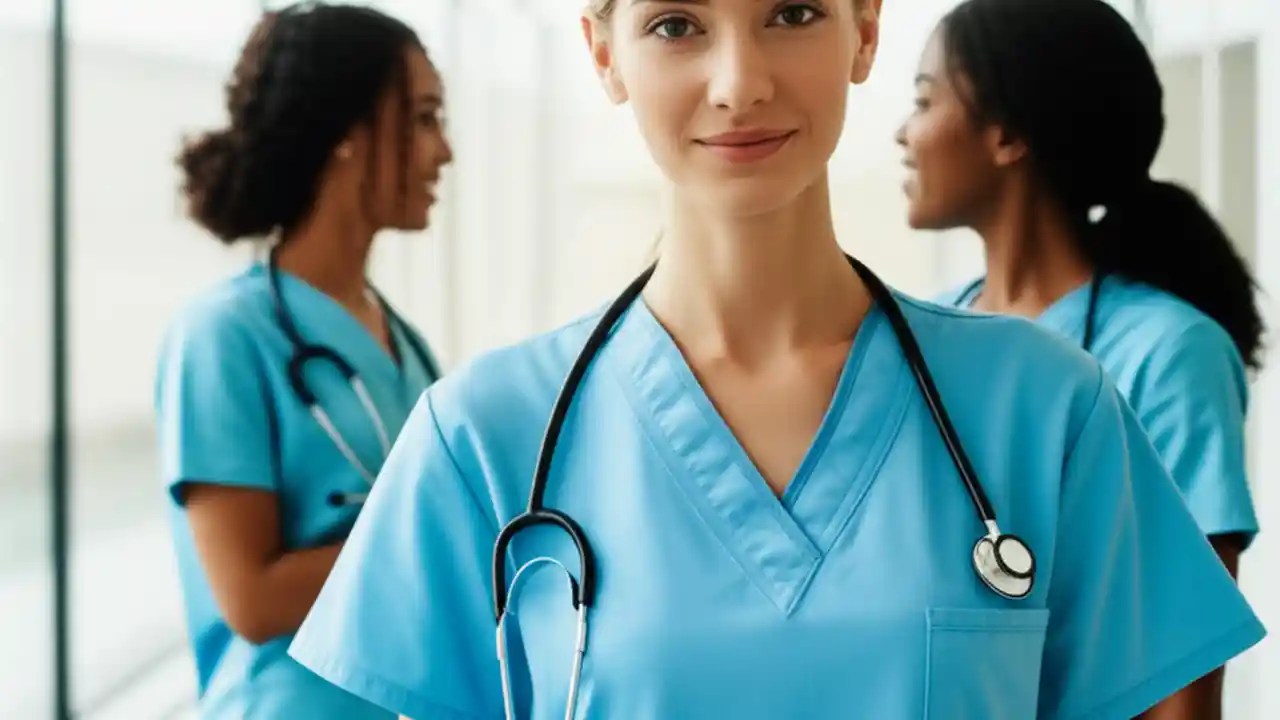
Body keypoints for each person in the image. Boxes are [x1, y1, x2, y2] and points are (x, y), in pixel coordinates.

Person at [289, 1, 1262, 718]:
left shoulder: (1047, 410)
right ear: (602, 48)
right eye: (675, 25)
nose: (739, 82)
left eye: (791, 13)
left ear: (864, 29)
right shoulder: (482, 439)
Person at [895, 1, 1262, 713]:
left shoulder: (1168, 351)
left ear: (1005, 134)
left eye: (924, 99)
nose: (903, 133)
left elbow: (1184, 679)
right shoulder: (917, 341)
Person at [154, 3, 451, 718]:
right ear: (348, 131)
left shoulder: (405, 344)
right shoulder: (225, 336)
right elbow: (251, 599)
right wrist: (444, 535)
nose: (444, 150)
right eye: (422, 117)